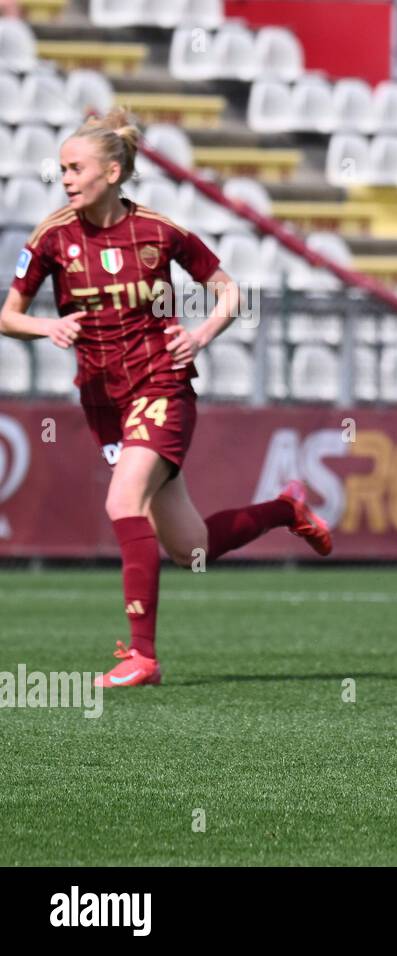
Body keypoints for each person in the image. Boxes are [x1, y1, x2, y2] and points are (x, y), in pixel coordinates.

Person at [0, 110, 332, 688]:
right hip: (103, 402)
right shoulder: (53, 236)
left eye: (75, 168)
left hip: (162, 386)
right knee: (190, 548)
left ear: (113, 170)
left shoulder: (159, 232)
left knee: (121, 501)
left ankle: (141, 657)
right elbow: (7, 317)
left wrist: (202, 333)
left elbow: (228, 291)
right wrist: (45, 329)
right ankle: (287, 508)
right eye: (60, 170)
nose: (66, 179)